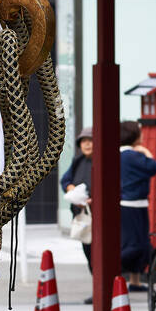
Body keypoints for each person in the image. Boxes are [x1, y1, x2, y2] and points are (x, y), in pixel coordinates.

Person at [120, 120, 156, 290]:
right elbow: (153, 167)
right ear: (133, 135)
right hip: (134, 205)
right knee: (137, 245)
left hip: (125, 204)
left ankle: (134, 281)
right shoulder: (133, 156)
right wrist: (146, 152)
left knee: (133, 242)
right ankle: (116, 268)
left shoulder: (120, 154)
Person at [62, 127, 93, 299]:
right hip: (82, 216)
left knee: (97, 254)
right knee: (88, 252)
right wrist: (70, 187)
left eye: (90, 140)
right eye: (84, 141)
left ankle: (102, 290)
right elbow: (65, 179)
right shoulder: (78, 160)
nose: (87, 144)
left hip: (96, 215)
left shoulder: (101, 161)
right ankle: (97, 288)